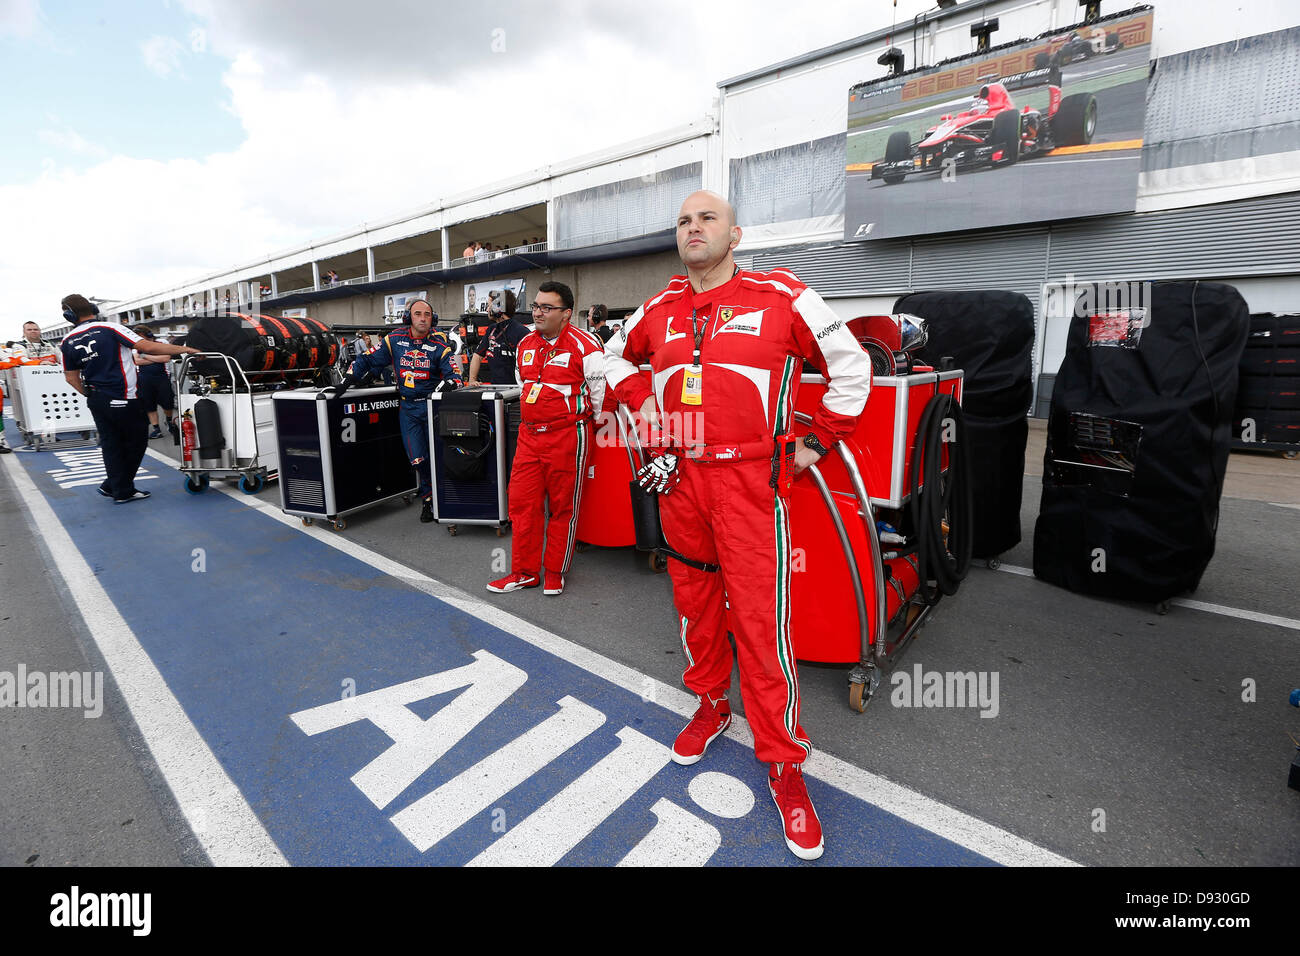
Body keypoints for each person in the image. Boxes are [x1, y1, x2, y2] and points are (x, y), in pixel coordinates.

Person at [603, 190, 871, 861]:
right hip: (681, 479)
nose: (694, 228)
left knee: (758, 616)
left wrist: (817, 443)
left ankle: (782, 759)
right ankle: (711, 705)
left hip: (752, 483)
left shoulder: (781, 295)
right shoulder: (660, 307)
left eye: (708, 218)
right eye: (684, 221)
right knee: (694, 603)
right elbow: (609, 358)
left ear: (736, 233)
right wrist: (647, 411)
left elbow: (852, 368)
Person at [486, 281, 605, 597]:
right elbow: (523, 385)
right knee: (522, 504)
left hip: (568, 436)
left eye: (546, 307)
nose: (538, 312)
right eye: (536, 306)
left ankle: (555, 571)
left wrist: (578, 423)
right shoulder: (525, 344)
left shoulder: (586, 345)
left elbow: (599, 395)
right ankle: (524, 572)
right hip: (528, 437)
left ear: (566, 314)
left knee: (563, 507)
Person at [59, 294, 199, 502]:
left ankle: (112, 486)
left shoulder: (67, 340)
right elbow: (148, 347)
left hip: (97, 399)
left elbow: (71, 377)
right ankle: (122, 490)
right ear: (94, 309)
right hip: (123, 396)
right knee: (136, 441)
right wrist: (185, 349)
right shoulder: (110, 328)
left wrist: (89, 394)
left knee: (111, 443)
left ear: (69, 316)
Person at [345, 299, 460, 523]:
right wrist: (349, 378)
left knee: (440, 456)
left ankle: (438, 500)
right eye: (418, 314)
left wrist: (449, 384)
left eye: (427, 314)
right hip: (408, 408)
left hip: (433, 407)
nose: (423, 318)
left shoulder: (440, 343)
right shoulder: (394, 340)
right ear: (409, 317)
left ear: (433, 319)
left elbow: (454, 376)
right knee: (418, 459)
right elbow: (367, 359)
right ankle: (429, 497)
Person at [467, 289, 529, 386]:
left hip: (517, 390)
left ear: (498, 308)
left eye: (489, 306)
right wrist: (472, 380)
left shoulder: (522, 332)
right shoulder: (491, 330)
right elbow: (477, 355)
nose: (487, 310)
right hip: (496, 389)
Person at [132, 327, 179, 441]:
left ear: (148, 334)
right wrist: (155, 358)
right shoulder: (136, 346)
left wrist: (145, 356)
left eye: (140, 336)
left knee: (168, 401)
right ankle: (156, 429)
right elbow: (137, 361)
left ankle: (168, 421)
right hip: (144, 378)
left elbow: (166, 358)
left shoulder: (162, 342)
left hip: (162, 377)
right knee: (149, 404)